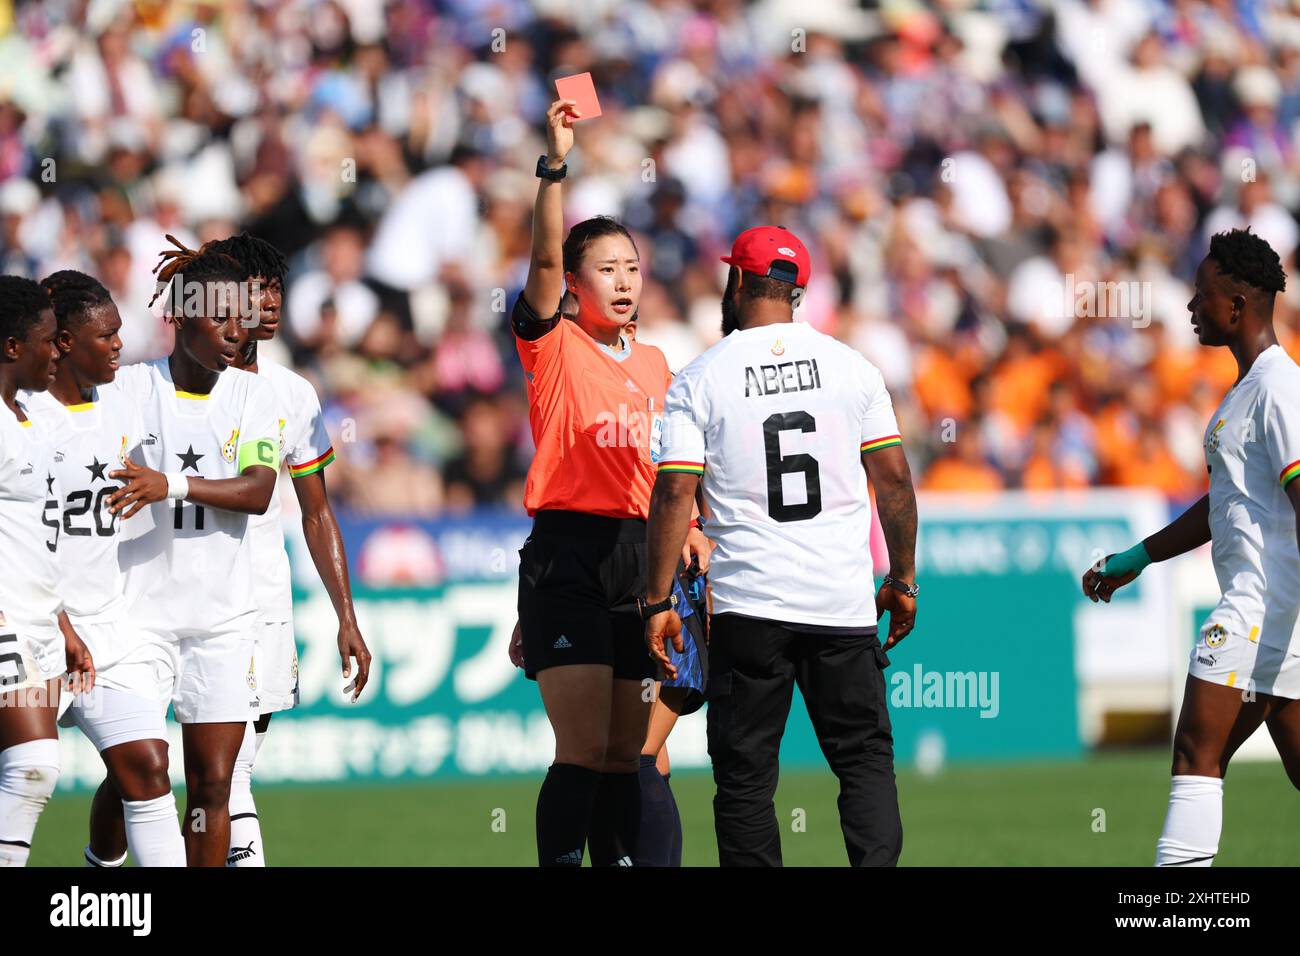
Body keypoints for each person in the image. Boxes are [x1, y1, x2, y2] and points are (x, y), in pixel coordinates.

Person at [643, 226, 919, 867]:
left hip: (749, 604)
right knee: (864, 763)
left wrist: (656, 597)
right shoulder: (853, 366)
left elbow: (674, 492)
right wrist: (902, 580)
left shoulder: (701, 375)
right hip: (840, 604)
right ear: (799, 290)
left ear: (736, 282)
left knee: (745, 782)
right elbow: (896, 481)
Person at [512, 100, 708, 867]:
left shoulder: (660, 364)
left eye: (632, 267)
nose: (623, 280)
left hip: (644, 556)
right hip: (569, 553)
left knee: (635, 752)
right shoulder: (553, 345)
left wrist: (692, 528)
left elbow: (679, 472)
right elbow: (541, 267)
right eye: (606, 268)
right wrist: (554, 166)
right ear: (576, 280)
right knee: (584, 746)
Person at [1083, 228, 1300, 866]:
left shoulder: (1279, 389)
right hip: (1280, 617)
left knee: (1194, 758)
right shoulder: (1245, 392)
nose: (1191, 307)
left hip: (1257, 609)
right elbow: (1226, 503)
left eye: (1202, 295)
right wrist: (1138, 558)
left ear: (1237, 305)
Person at [104, 241, 281, 866]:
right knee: (138, 772)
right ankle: (100, 866)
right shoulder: (125, 391)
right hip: (135, 623)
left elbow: (258, 492)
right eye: (221, 317)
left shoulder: (253, 398)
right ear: (180, 316)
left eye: (244, 316)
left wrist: (168, 483)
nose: (239, 331)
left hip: (222, 625)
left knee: (212, 784)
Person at [24, 270, 185, 867]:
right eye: (105, 335)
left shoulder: (125, 398)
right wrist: (58, 623)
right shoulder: (24, 421)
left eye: (120, 332)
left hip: (110, 634)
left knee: (146, 766)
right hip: (33, 633)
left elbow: (193, 362)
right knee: (27, 778)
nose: (119, 344)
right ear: (62, 342)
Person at [0, 275, 95, 866]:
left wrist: (61, 624)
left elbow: (33, 534)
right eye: (47, 340)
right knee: (35, 763)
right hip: (3, 615)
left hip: (37, 617)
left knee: (28, 766)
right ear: (12, 347)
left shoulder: (31, 415)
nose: (58, 350)